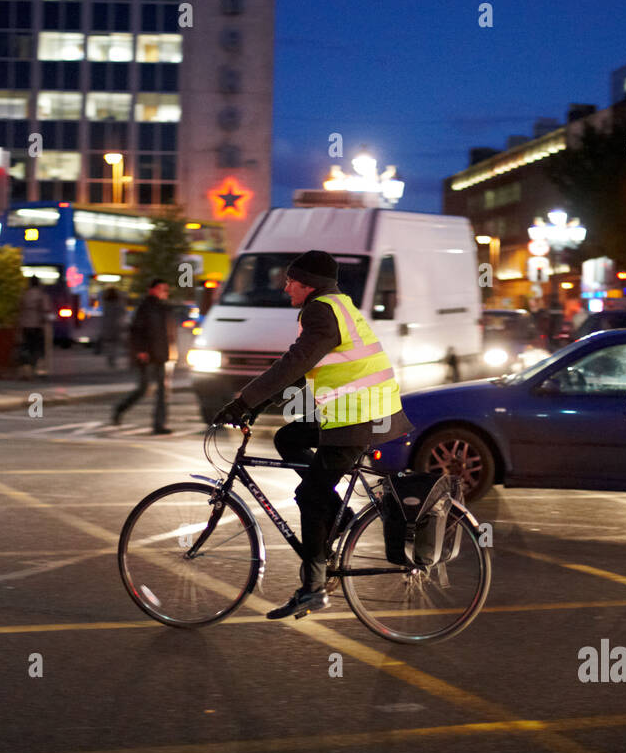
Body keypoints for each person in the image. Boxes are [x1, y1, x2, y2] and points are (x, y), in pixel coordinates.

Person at [212, 250, 412, 621]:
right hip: (358, 412)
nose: (285, 286)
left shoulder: (320, 311)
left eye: (290, 280)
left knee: (309, 495)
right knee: (288, 439)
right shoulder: (336, 305)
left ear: (309, 284)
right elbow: (306, 371)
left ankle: (313, 588)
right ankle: (340, 514)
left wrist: (243, 401)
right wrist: (259, 404)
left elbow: (294, 362)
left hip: (359, 418)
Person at [111, 278, 173, 434]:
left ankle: (159, 424)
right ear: (151, 290)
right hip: (147, 356)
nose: (164, 292)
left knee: (161, 391)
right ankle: (120, 409)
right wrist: (141, 351)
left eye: (166, 290)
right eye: (161, 289)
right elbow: (136, 331)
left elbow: (166, 333)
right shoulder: (145, 307)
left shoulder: (163, 308)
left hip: (160, 355)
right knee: (143, 389)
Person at [18, 279, 51, 378]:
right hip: (37, 325)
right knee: (37, 348)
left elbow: (20, 307)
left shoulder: (25, 295)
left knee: (26, 346)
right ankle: (36, 368)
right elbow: (45, 309)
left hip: (25, 324)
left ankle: (25, 368)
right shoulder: (41, 295)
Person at [97, 285, 124, 368]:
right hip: (115, 325)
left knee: (109, 344)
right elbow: (121, 313)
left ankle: (110, 358)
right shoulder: (118, 303)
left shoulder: (105, 302)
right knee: (114, 344)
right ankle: (112, 359)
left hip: (107, 325)